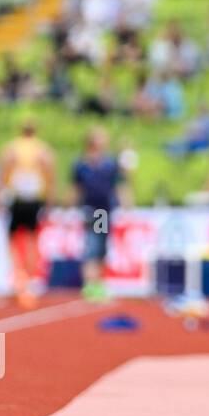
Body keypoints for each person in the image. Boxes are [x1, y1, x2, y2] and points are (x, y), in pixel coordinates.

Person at [0, 121, 56, 309]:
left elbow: (4, 170)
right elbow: (50, 173)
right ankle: (29, 280)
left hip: (17, 197)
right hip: (33, 198)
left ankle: (19, 277)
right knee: (30, 239)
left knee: (13, 239)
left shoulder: (12, 148)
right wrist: (50, 199)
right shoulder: (42, 149)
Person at [72, 128, 127, 304]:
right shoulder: (83, 165)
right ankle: (91, 284)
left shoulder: (109, 164)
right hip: (93, 210)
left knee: (101, 248)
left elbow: (119, 186)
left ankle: (97, 283)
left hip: (103, 211)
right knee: (93, 246)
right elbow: (76, 189)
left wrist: (125, 204)